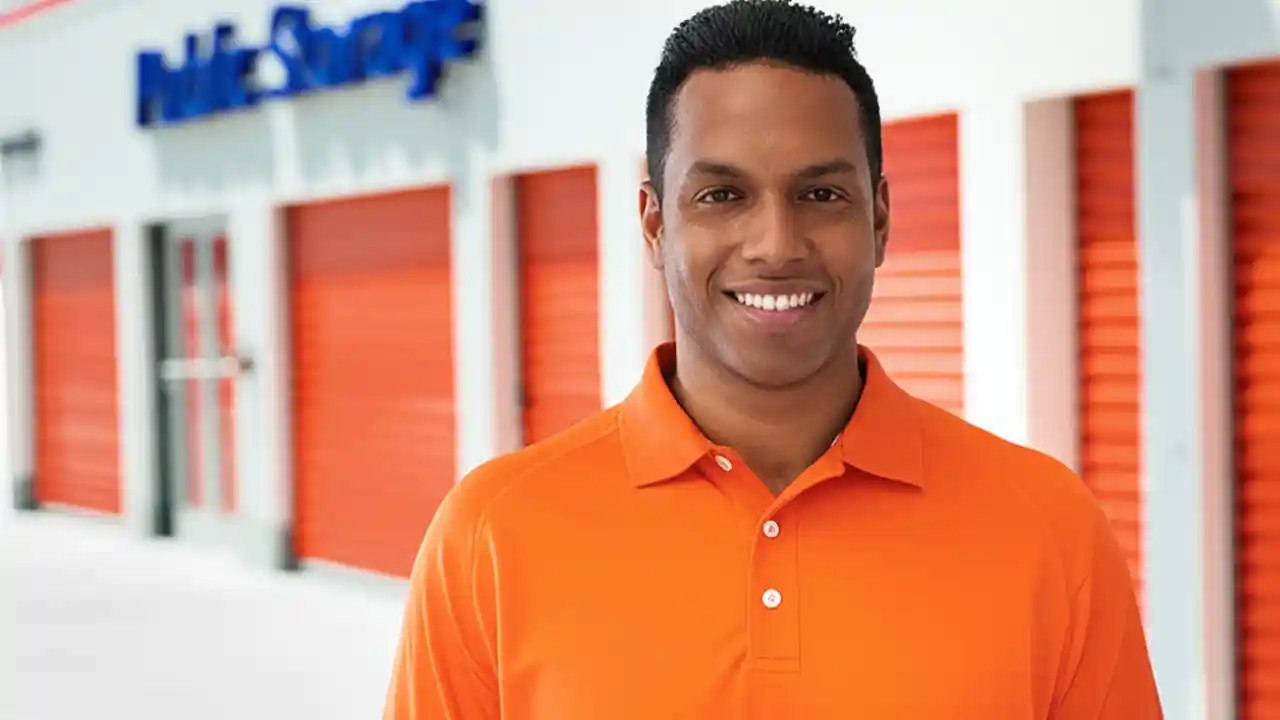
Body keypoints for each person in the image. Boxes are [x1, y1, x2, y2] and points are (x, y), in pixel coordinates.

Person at [382, 1, 1163, 717]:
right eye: (722, 196)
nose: (776, 245)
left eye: (820, 195)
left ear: (879, 219)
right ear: (654, 223)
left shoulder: (1049, 530)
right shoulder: (491, 537)